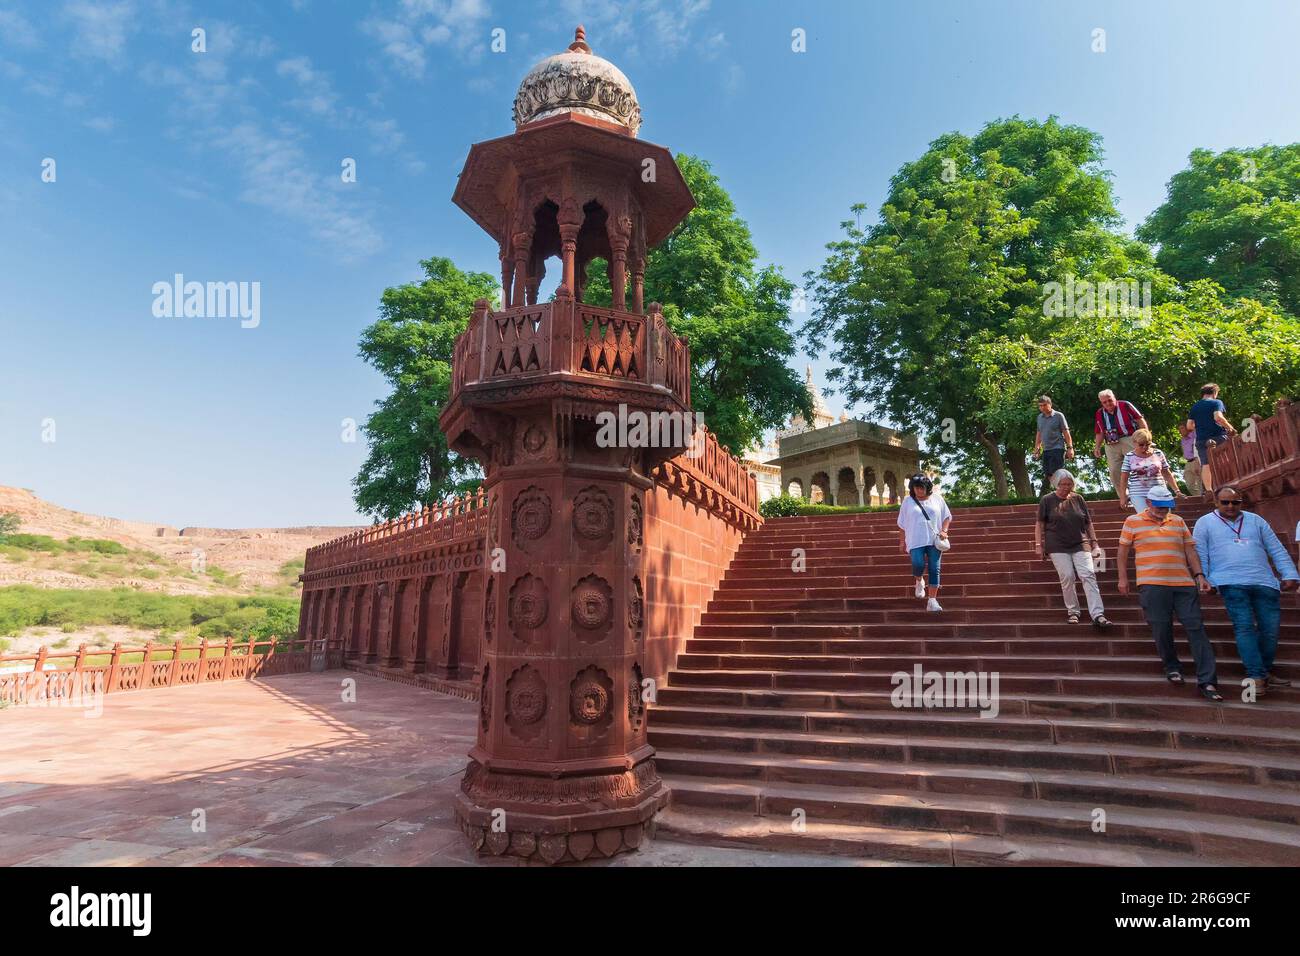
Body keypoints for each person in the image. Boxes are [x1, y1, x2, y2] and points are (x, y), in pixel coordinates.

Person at [1193, 485, 1300, 700]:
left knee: (1270, 630)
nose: (1231, 506)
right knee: (1244, 627)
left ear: (1241, 502)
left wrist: (1289, 573)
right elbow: (1200, 552)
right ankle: (1256, 676)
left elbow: (1275, 548)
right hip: (1230, 581)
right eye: (1225, 502)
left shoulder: (1255, 520)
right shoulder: (1205, 523)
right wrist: (1203, 578)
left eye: (1235, 502)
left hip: (1264, 581)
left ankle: (1263, 669)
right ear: (1216, 502)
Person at [1116, 484, 1221, 701]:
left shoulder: (1178, 521)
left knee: (1196, 627)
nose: (1164, 510)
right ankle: (1172, 667)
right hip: (1151, 583)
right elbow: (1122, 552)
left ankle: (1208, 681)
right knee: (1161, 629)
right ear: (1149, 503)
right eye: (1160, 506)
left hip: (1183, 583)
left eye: (1167, 506)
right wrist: (1123, 578)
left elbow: (1190, 549)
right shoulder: (1133, 521)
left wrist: (1199, 575)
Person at [1035, 469, 1111, 627]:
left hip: (1081, 543)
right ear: (1056, 484)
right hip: (1056, 545)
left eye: (1069, 484)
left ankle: (1098, 614)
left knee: (1088, 574)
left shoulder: (1078, 498)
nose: (1066, 487)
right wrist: (1038, 544)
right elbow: (1039, 524)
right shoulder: (1047, 500)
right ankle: (1073, 611)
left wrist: (1094, 542)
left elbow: (1088, 522)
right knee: (1068, 577)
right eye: (1063, 484)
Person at [897, 474, 952, 613]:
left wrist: (944, 531)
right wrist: (901, 541)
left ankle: (932, 601)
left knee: (935, 568)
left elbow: (947, 516)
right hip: (915, 540)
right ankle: (919, 580)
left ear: (927, 488)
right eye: (916, 487)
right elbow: (901, 524)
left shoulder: (937, 499)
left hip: (934, 540)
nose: (918, 491)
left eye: (921, 488)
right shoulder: (908, 502)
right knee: (918, 564)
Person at [1093, 390, 1148, 493]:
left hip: (1130, 439)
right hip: (1111, 443)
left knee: (1139, 466)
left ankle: (1145, 492)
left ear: (1114, 398)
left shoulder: (1125, 405)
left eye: (1110, 400)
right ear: (1101, 403)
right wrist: (1097, 447)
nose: (1108, 403)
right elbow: (1099, 432)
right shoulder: (1099, 413)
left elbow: (1140, 420)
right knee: (1114, 471)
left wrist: (1145, 439)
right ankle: (1124, 496)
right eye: (1104, 402)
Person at [1187, 383, 1237, 494]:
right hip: (1218, 436)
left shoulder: (1195, 407)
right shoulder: (1216, 402)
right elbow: (1218, 417)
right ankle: (1227, 486)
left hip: (1201, 439)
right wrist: (1230, 427)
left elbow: (1189, 426)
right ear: (1215, 393)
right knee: (1225, 460)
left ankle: (1209, 490)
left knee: (1206, 464)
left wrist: (1201, 424)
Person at [1118, 428, 1183, 513]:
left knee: (1164, 517)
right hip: (1139, 494)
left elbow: (1166, 473)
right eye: (1141, 444)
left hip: (1159, 491)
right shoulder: (1129, 456)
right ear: (1134, 443)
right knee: (1146, 517)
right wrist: (1123, 497)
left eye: (1148, 444)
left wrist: (1177, 491)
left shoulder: (1158, 453)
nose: (1145, 447)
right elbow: (1124, 478)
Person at [1032, 394, 1075, 496]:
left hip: (1058, 448)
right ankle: (1061, 492)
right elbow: (1039, 433)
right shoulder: (1039, 418)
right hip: (1046, 449)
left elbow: (1066, 432)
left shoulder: (1058, 416)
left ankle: (1066, 493)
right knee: (1048, 473)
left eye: (1044, 405)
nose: (1042, 407)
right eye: (1040, 406)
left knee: (1057, 472)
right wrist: (1037, 448)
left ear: (1050, 404)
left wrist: (1070, 448)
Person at [1177, 422, 1203, 496]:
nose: (1180, 431)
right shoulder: (1182, 440)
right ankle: (1199, 498)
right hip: (1188, 462)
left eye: (1182, 428)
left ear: (1187, 428)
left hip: (1197, 460)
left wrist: (1197, 462)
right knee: (1189, 485)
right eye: (1179, 429)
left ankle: (1203, 501)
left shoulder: (1195, 435)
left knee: (1200, 483)